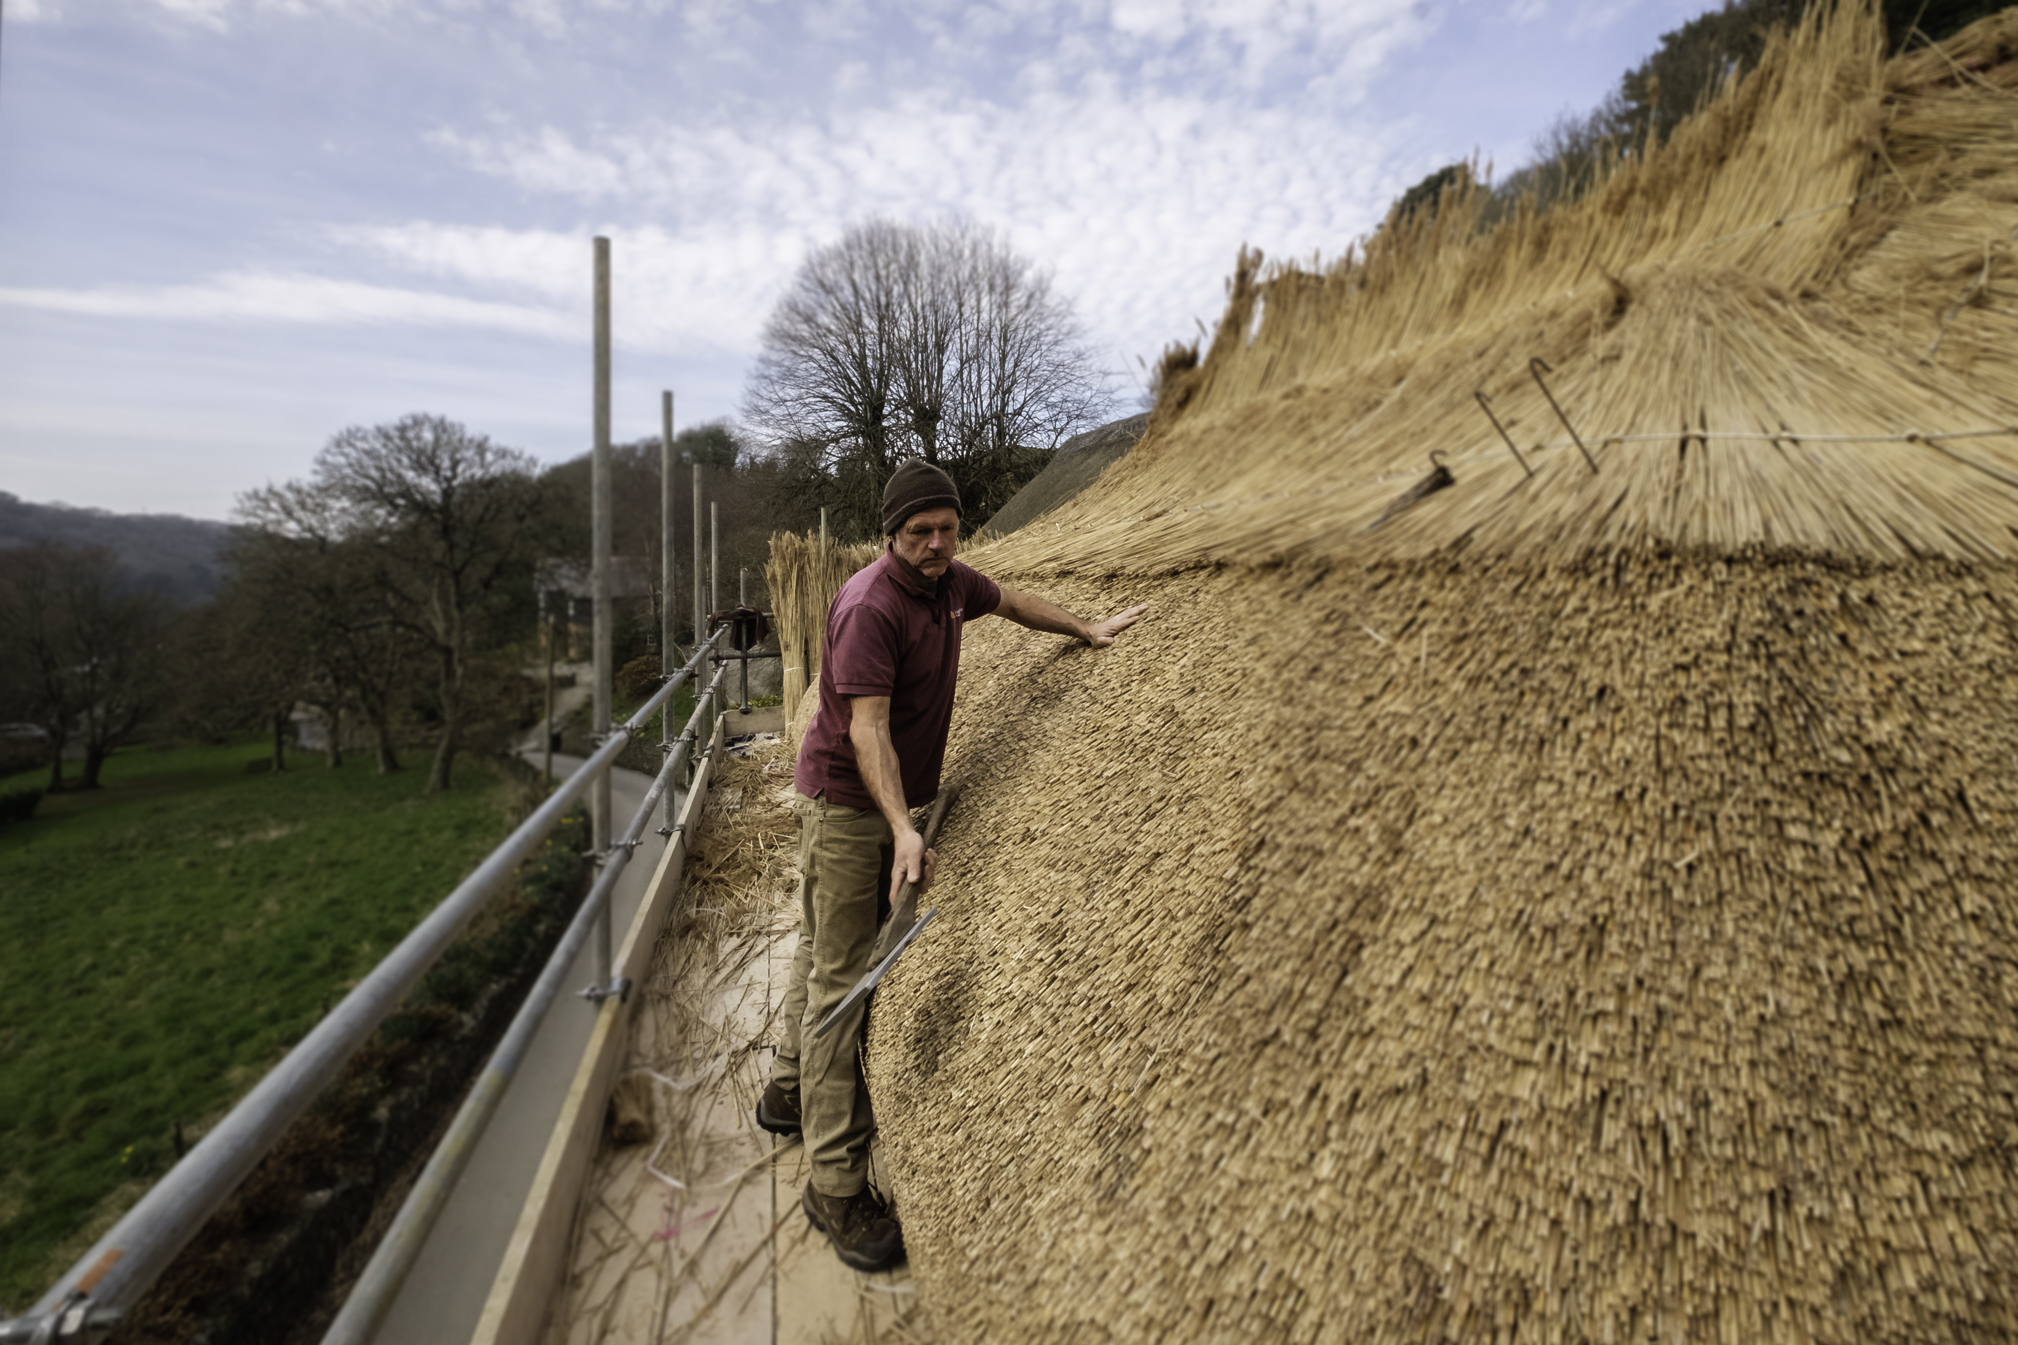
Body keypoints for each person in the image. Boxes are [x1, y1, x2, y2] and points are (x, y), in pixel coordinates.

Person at [757, 457, 1147, 1272]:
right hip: (848, 806)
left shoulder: (949, 582)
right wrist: (903, 826)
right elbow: (867, 731)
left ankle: (789, 1087)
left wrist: (1086, 627)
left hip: (873, 804)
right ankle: (833, 1183)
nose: (936, 544)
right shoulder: (872, 605)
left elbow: (1011, 602)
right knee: (844, 982)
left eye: (946, 528)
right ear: (890, 535)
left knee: (822, 941)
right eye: (919, 533)